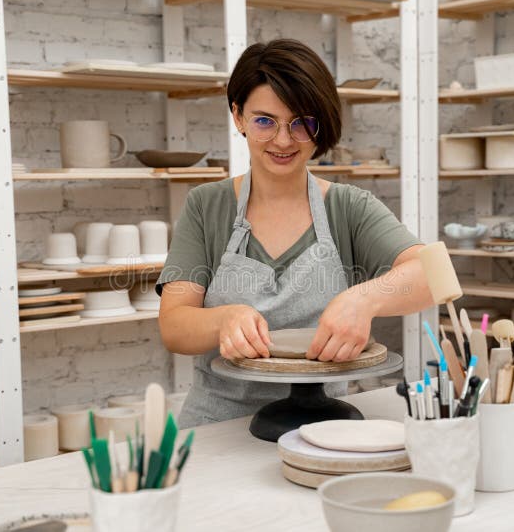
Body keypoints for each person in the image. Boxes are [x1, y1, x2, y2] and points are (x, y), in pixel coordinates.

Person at [157, 39, 433, 429]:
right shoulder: (206, 206)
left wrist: (365, 299)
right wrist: (224, 319)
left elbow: (432, 275)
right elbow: (174, 325)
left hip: (325, 423)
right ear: (238, 117)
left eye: (302, 123)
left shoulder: (348, 207)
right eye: (265, 121)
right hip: (217, 425)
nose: (284, 140)